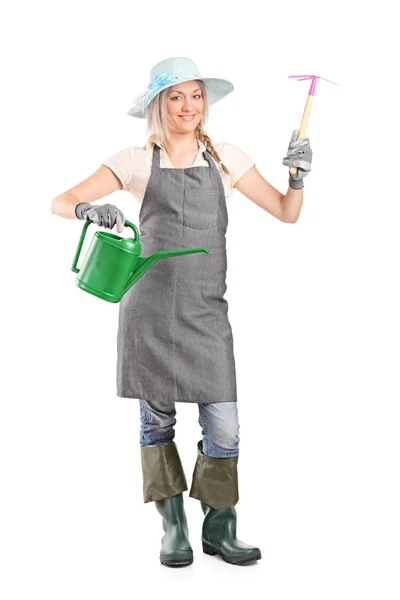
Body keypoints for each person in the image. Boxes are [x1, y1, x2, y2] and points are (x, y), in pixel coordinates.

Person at [51, 56, 312, 567]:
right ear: (158, 104)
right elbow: (61, 201)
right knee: (157, 424)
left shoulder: (227, 158)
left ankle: (220, 526)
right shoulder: (134, 160)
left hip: (206, 314)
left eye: (196, 95)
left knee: (225, 426)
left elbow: (286, 212)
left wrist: (298, 177)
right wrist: (88, 209)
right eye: (176, 96)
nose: (188, 106)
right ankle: (173, 528)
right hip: (147, 314)